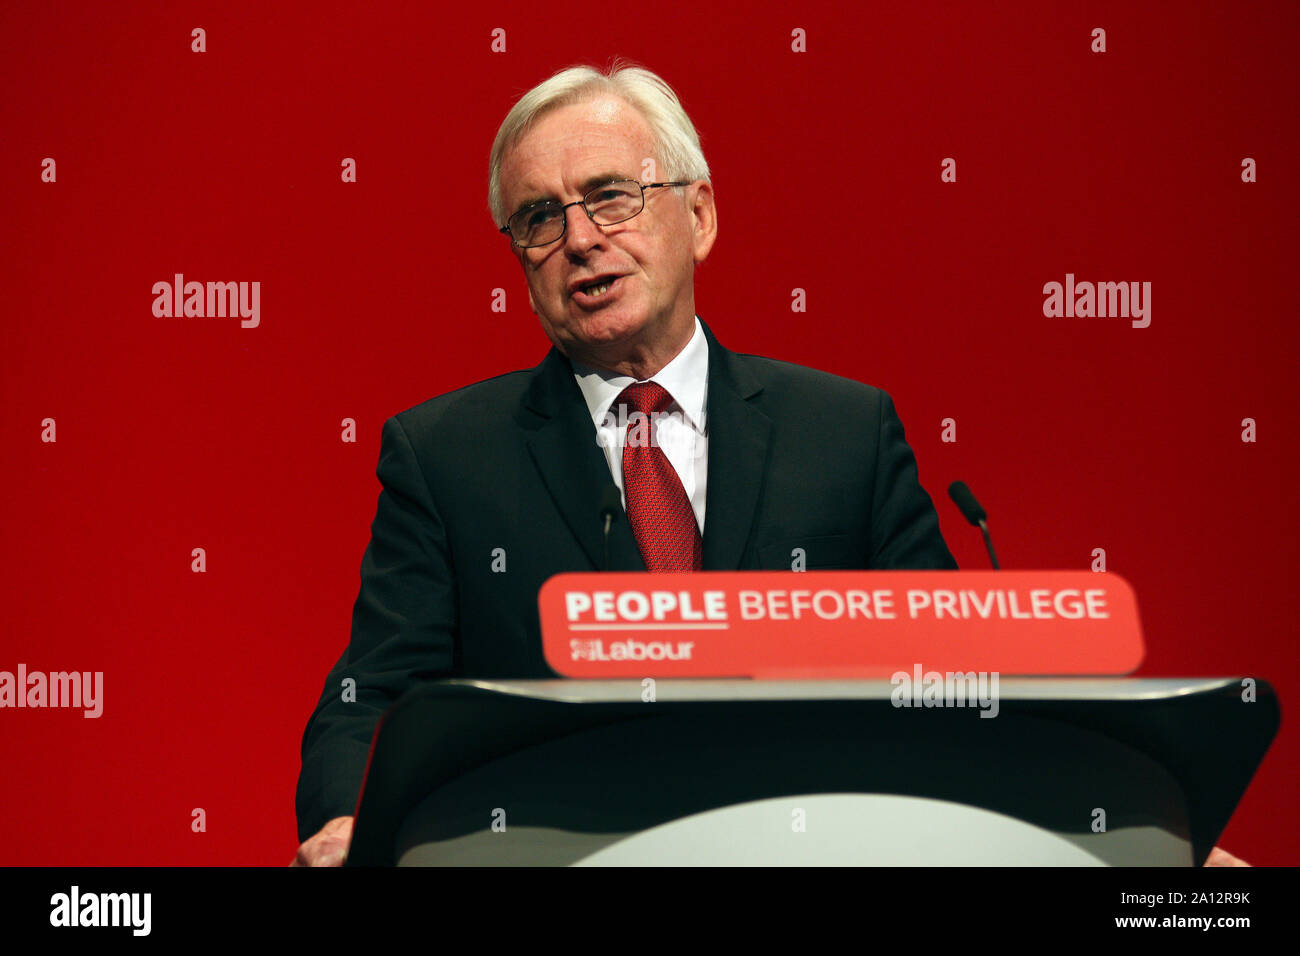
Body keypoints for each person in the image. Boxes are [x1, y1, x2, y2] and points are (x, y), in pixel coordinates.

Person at [297, 59, 976, 867]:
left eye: (612, 195)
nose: (581, 239)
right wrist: (351, 822)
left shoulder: (843, 433)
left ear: (700, 215)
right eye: (540, 218)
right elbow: (366, 700)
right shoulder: (446, 457)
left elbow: (948, 676)